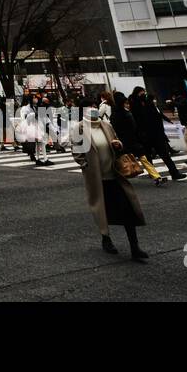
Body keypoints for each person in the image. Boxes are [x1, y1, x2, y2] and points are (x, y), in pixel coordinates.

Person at [73, 106, 148, 262]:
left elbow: (117, 142)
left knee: (128, 208)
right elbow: (78, 153)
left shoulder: (106, 125)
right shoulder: (80, 128)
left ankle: (135, 247)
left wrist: (118, 145)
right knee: (103, 210)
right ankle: (106, 239)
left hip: (115, 175)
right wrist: (86, 165)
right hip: (97, 178)